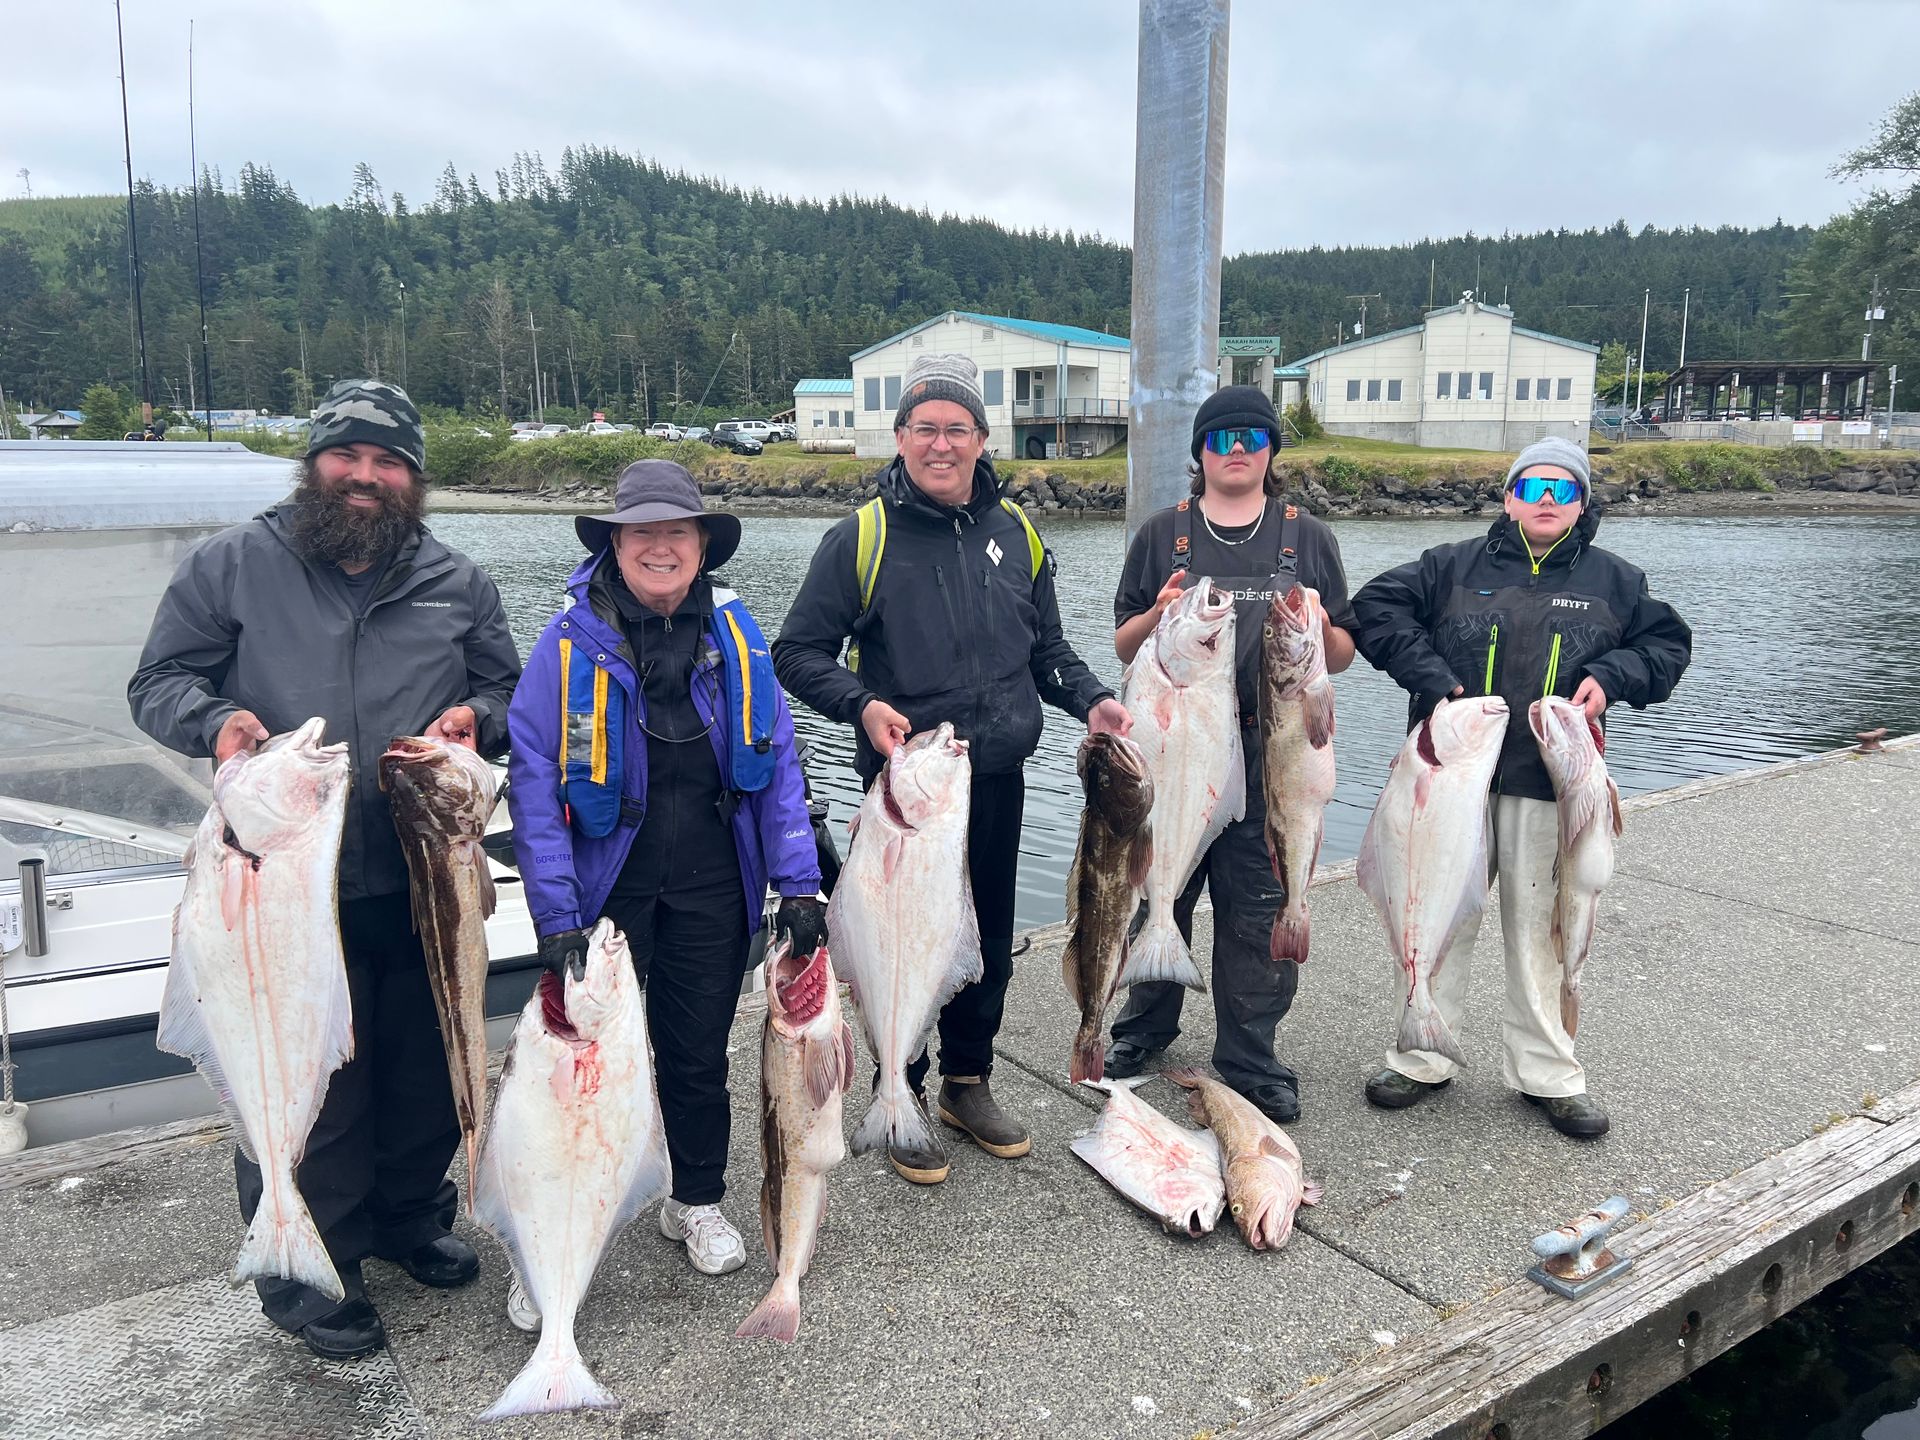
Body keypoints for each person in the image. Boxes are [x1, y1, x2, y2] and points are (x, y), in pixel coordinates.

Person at [128, 378, 521, 1359]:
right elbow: (159, 682)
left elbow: (507, 686)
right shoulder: (230, 566)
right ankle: (305, 1270)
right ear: (315, 463)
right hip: (282, 890)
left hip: (423, 875)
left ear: (413, 479)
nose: (367, 475)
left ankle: (404, 1216)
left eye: (389, 461)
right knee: (311, 1087)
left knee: (424, 1071)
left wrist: (484, 720)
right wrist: (214, 722)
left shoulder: (458, 580)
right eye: (349, 455)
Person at [772, 352, 1129, 1185]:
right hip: (906, 796)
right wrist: (861, 705)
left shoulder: (1019, 531)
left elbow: (1047, 648)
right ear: (899, 438)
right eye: (925, 428)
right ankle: (903, 1089)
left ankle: (969, 1084)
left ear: (980, 438)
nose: (941, 444)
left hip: (993, 782)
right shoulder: (861, 537)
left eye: (957, 428)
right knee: (902, 945)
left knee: (983, 945)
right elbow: (796, 651)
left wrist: (1092, 700)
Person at [506, 460, 821, 1307]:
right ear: (614, 542)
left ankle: (696, 1200)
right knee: (574, 1067)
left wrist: (799, 884)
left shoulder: (736, 634)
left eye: (675, 531)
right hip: (605, 897)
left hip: (714, 889)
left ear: (700, 545)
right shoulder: (566, 645)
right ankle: (548, 1238)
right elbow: (535, 782)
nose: (659, 546)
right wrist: (556, 914)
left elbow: (779, 767)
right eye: (640, 531)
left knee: (694, 1057)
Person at [1351, 436, 1691, 1139]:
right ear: (1507, 499)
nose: (1545, 500)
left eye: (1562, 490)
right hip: (1451, 785)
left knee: (1542, 935)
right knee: (1438, 917)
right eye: (1531, 487)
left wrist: (1616, 676)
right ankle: (1420, 1055)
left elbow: (1668, 648)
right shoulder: (1449, 567)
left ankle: (1547, 1074)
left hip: (1550, 787)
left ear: (1582, 504)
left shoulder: (1617, 581)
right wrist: (1438, 680)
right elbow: (1373, 611)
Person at [1104, 385, 1357, 1123]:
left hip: (1269, 748)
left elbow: (1338, 657)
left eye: (1252, 435)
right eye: (1221, 438)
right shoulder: (1161, 534)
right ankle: (1141, 1030)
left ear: (1271, 449)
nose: (1237, 448)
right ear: (1200, 453)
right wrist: (1156, 615)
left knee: (1257, 909)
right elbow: (1124, 643)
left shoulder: (1307, 536)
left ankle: (1250, 1056)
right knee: (1160, 890)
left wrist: (1314, 622)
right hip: (1176, 742)